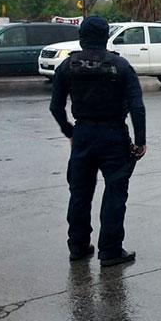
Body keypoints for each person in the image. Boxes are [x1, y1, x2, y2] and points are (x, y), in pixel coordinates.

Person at [50, 16, 146, 267]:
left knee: (79, 193)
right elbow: (137, 106)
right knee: (115, 193)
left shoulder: (67, 66)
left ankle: (78, 246)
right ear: (105, 37)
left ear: (82, 37)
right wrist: (141, 140)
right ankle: (110, 252)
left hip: (83, 135)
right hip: (113, 136)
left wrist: (69, 131)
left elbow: (56, 106)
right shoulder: (121, 66)